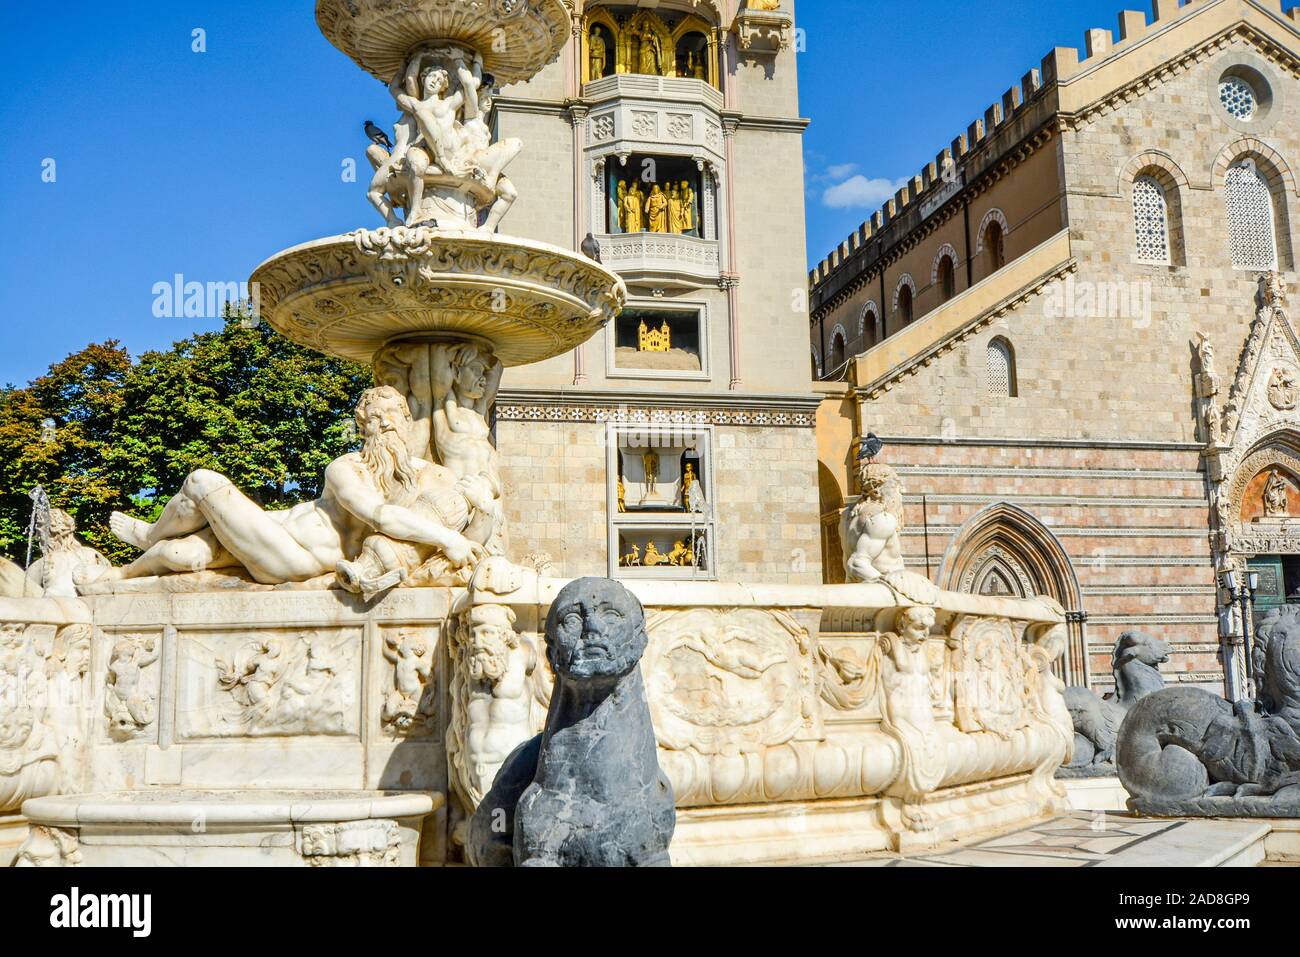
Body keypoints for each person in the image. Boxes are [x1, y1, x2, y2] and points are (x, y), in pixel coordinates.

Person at [91, 387, 486, 586]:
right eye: (372, 420)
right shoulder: (346, 467)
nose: (383, 426)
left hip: (296, 557)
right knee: (180, 553)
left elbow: (392, 519)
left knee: (201, 481)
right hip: (269, 530)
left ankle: (146, 533)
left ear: (407, 419)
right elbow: (378, 513)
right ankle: (128, 569)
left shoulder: (433, 477)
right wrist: (446, 537)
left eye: (391, 417)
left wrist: (480, 508)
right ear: (361, 428)